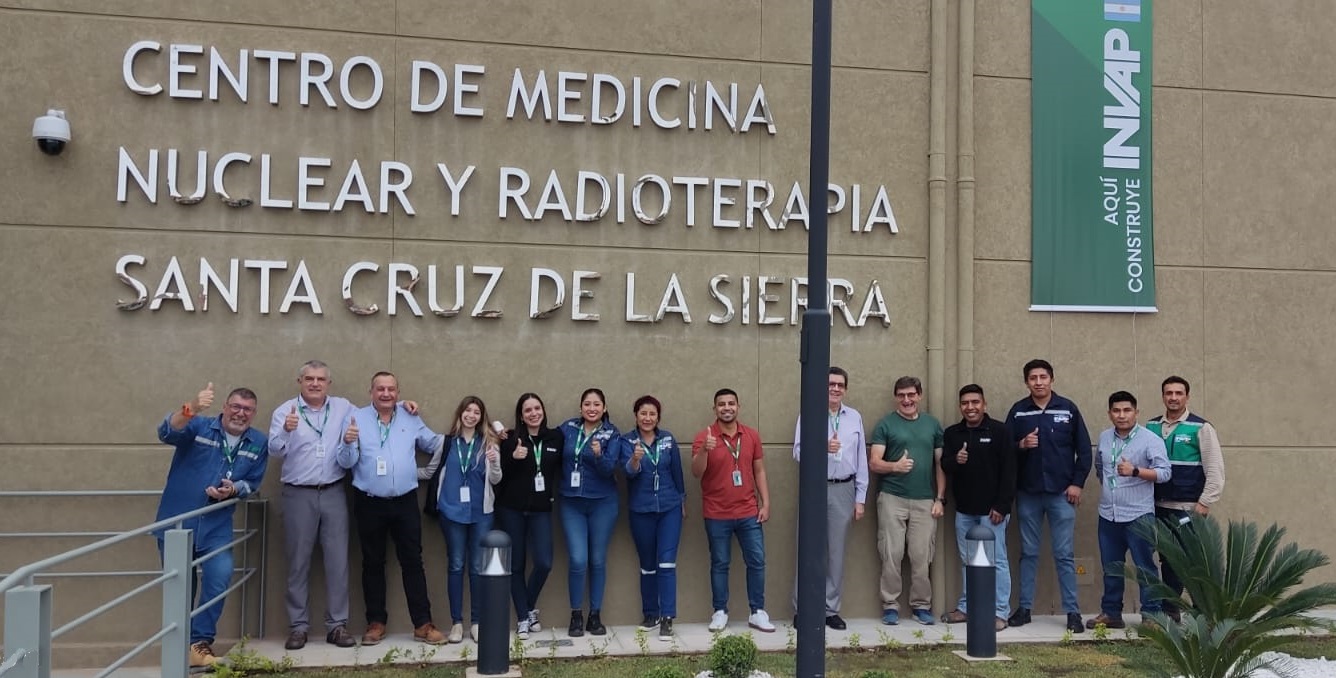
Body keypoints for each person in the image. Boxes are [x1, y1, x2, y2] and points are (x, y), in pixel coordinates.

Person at [155, 382, 268, 668]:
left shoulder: (258, 442)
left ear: (254, 413)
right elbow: (167, 432)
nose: (241, 413)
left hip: (217, 526)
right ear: (224, 407)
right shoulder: (199, 426)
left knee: (219, 576)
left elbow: (252, 482)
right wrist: (192, 407)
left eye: (248, 409)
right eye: (236, 406)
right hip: (178, 523)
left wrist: (233, 489)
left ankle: (199, 642)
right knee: (181, 589)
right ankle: (180, 650)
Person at [334, 372, 446, 645]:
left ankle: (422, 624)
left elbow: (434, 443)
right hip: (369, 501)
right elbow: (346, 463)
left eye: (391, 389)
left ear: (398, 392)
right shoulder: (356, 418)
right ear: (371, 391)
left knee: (413, 562)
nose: (386, 394)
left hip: (405, 501)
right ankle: (376, 623)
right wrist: (347, 442)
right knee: (372, 563)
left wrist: (476, 435)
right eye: (380, 389)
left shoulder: (410, 416)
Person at [267, 360, 358, 650]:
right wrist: (286, 430)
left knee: (338, 562)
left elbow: (373, 416)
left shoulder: (343, 407)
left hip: (333, 491)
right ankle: (298, 627)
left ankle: (337, 626)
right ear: (300, 382)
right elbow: (274, 450)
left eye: (320, 379)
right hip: (298, 494)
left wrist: (404, 405)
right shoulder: (285, 411)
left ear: (328, 383)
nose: (315, 384)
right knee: (298, 562)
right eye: (309, 379)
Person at [1004, 359, 1092, 634]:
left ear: (1052, 379)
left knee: (1064, 554)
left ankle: (1073, 612)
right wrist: (1021, 444)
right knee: (1028, 553)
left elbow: (1084, 451)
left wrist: (1077, 484)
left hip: (1061, 493)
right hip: (1028, 493)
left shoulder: (1068, 409)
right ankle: (1024, 609)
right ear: (1026, 382)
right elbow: (1004, 451)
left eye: (1043, 377)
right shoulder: (1018, 412)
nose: (1038, 382)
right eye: (1033, 378)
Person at [790, 366, 868, 631]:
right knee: (807, 548)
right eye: (830, 384)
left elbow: (861, 459)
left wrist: (860, 497)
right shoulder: (809, 413)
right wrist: (822, 447)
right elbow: (798, 452)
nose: (835, 389)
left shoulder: (854, 417)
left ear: (845, 389)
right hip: (814, 487)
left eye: (840, 385)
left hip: (844, 488)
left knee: (836, 552)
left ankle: (829, 609)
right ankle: (803, 608)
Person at [691, 388, 775, 633]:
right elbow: (696, 472)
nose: (726, 408)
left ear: (738, 407)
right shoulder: (704, 436)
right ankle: (720, 611)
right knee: (720, 563)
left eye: (731, 403)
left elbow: (759, 470)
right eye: (721, 404)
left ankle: (757, 612)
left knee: (757, 561)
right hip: (717, 513)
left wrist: (765, 503)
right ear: (714, 409)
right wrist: (704, 450)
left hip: (749, 511)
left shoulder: (751, 435)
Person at [1086, 391, 1171, 630]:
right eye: (1116, 411)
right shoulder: (1104, 437)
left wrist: (1135, 471)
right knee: (1111, 567)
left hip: (1139, 515)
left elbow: (1165, 473)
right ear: (1109, 413)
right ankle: (1111, 613)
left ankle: (1152, 616)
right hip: (1109, 514)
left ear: (1136, 412)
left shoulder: (1150, 439)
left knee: (1145, 567)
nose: (1121, 415)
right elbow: (1100, 467)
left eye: (1127, 410)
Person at [422, 396, 503, 643]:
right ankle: (456, 623)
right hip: (452, 512)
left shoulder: (489, 443)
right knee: (456, 565)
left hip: (481, 514)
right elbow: (431, 471)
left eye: (476, 412)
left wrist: (495, 462)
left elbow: (496, 479)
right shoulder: (446, 442)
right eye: (468, 410)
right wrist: (400, 474)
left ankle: (476, 622)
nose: (471, 415)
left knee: (478, 568)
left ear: (481, 417)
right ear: (460, 413)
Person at [868, 376, 946, 626]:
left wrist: (940, 498)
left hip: (925, 500)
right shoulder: (886, 425)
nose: (906, 400)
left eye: (911, 394)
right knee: (891, 553)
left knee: (921, 555)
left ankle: (921, 606)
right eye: (901, 395)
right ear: (896, 397)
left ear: (919, 396)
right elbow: (874, 462)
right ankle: (890, 605)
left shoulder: (932, 425)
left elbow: (940, 465)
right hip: (892, 497)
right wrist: (895, 466)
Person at [1146, 375, 1224, 622]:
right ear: (1163, 396)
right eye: (1169, 393)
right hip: (1157, 506)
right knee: (1167, 560)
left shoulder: (1201, 428)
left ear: (1187, 397)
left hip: (1188, 507)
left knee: (1189, 561)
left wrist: (1204, 502)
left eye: (1178, 393)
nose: (1173, 398)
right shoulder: (1150, 426)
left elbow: (1215, 469)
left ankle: (1198, 611)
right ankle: (1170, 609)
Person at [939, 384, 1017, 631]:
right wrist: (956, 460)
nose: (970, 407)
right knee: (969, 561)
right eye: (965, 403)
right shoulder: (953, 433)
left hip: (992, 513)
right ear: (960, 406)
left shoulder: (1000, 431)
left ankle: (1000, 612)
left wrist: (1002, 506)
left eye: (975, 402)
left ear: (984, 404)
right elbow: (945, 465)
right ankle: (966, 607)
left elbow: (1010, 471)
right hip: (964, 511)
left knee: (997, 561)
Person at [494, 392, 564, 639]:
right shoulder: (510, 439)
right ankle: (524, 618)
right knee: (516, 565)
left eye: (537, 408)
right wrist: (513, 458)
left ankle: (527, 606)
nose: (533, 413)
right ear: (521, 416)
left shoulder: (556, 437)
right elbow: (498, 475)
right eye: (528, 410)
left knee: (544, 563)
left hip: (540, 510)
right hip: (511, 509)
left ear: (543, 411)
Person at [617, 395, 686, 642]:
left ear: (658, 417)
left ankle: (667, 617)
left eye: (652, 414)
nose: (647, 418)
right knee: (647, 564)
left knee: (666, 562)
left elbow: (677, 472)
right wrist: (635, 459)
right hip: (641, 509)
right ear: (636, 416)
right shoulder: (627, 441)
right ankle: (651, 614)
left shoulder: (668, 439)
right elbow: (627, 473)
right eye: (643, 413)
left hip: (669, 508)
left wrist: (682, 501)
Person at [557, 388, 621, 636]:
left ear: (604, 408)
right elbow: (546, 442)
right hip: (571, 502)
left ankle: (595, 615)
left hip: (603, 503)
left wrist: (598, 455)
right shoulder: (568, 428)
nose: (592, 408)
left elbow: (609, 469)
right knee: (578, 559)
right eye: (587, 404)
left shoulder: (611, 433)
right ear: (581, 407)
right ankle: (576, 614)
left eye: (596, 404)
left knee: (597, 560)